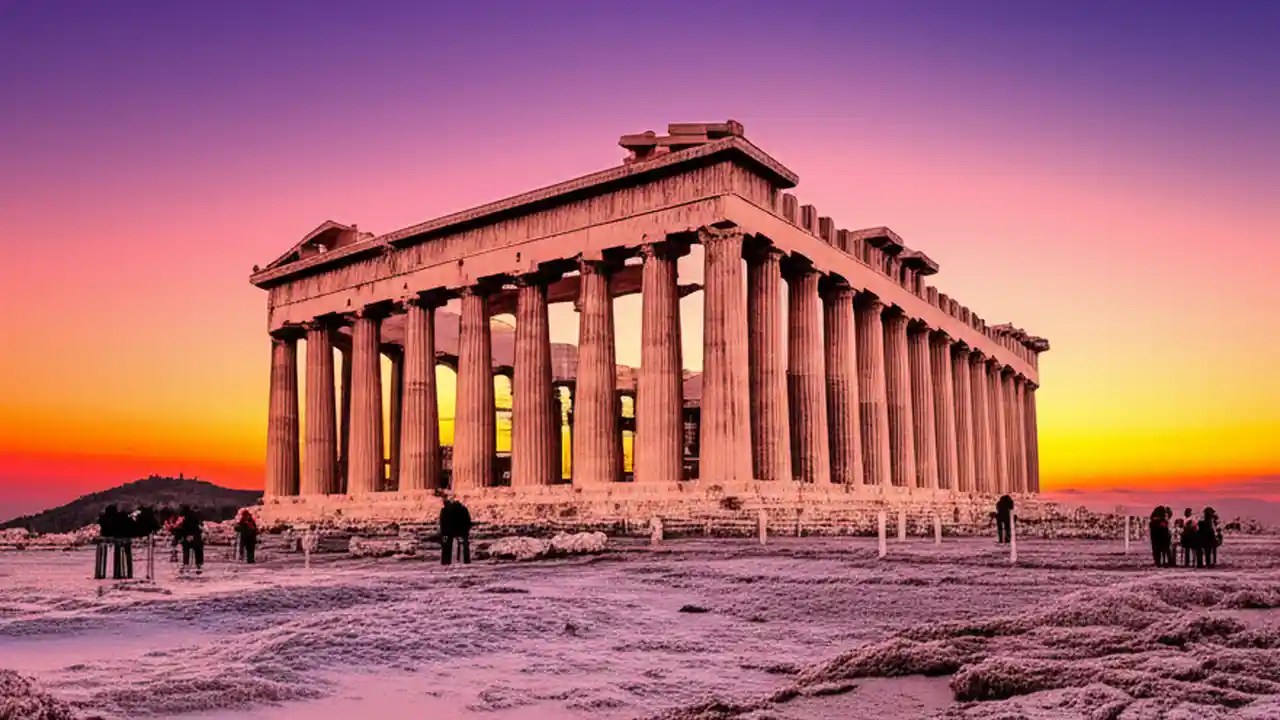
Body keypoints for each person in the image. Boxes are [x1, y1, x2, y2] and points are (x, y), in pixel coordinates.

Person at [438, 498, 473, 566]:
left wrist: (443, 534)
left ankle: (445, 561)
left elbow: (442, 523)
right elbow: (468, 521)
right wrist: (466, 531)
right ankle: (466, 560)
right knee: (465, 546)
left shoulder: (445, 510)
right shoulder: (463, 509)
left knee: (445, 547)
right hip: (461, 531)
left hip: (447, 532)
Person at [177, 505, 205, 574]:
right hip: (196, 537)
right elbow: (200, 527)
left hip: (187, 537)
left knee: (186, 549)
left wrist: (182, 537)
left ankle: (185, 564)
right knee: (198, 549)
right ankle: (199, 566)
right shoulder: (196, 516)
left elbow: (182, 529)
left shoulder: (185, 519)